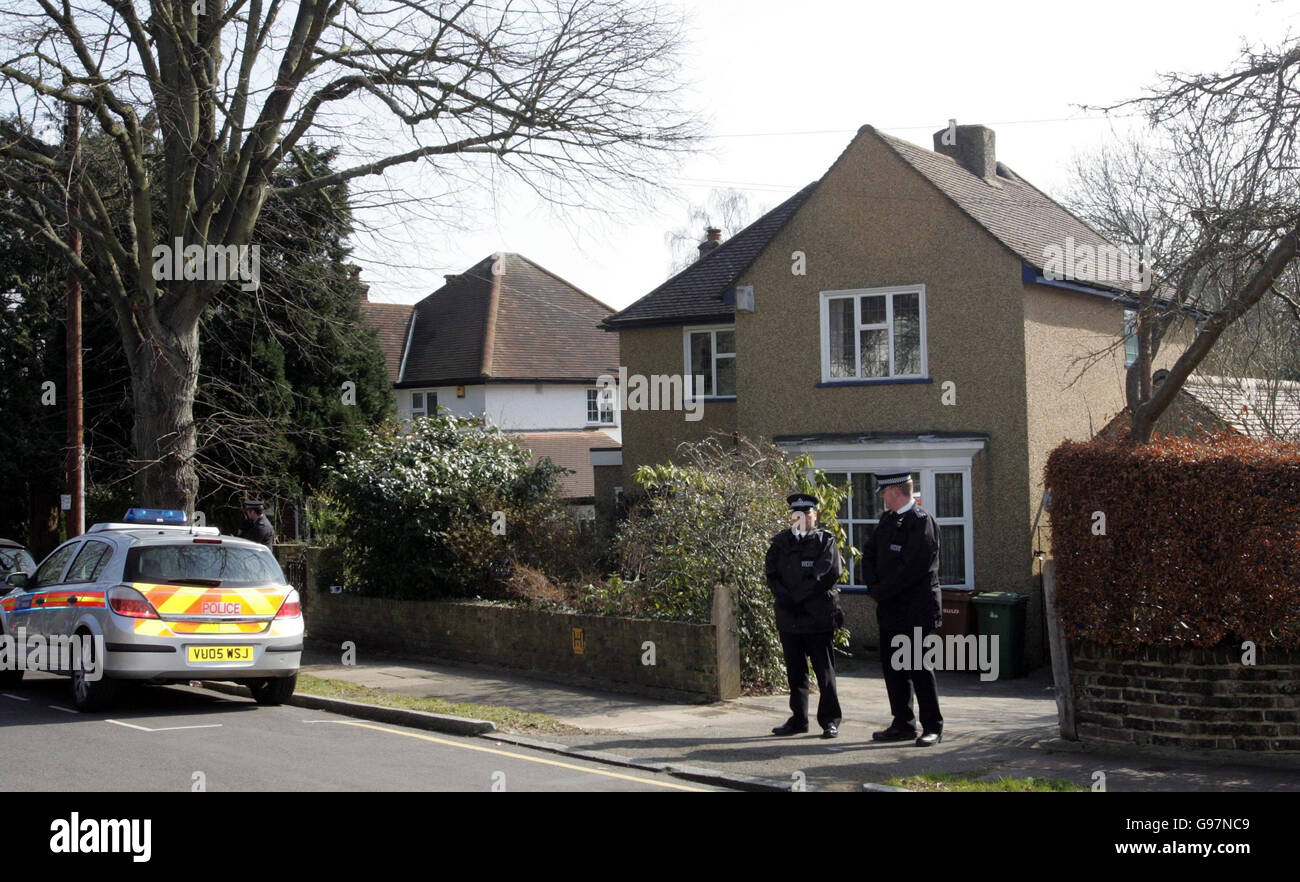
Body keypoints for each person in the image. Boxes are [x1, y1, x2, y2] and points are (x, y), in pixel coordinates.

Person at [862, 471, 944, 747]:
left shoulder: (921, 522)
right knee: (893, 669)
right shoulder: (887, 521)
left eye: (885, 493)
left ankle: (932, 726)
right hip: (890, 609)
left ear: (896, 491)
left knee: (920, 669)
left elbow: (914, 568)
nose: (883, 498)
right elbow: (869, 554)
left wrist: (883, 590)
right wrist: (873, 586)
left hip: (916, 610)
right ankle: (903, 723)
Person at [765, 492, 844, 739]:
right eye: (796, 515)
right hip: (790, 618)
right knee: (795, 672)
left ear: (814, 515)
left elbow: (826, 575)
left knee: (825, 673)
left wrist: (797, 597)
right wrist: (785, 598)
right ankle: (798, 719)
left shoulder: (825, 542)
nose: (801, 519)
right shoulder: (780, 543)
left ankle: (830, 721)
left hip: (817, 617)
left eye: (806, 514)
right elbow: (772, 574)